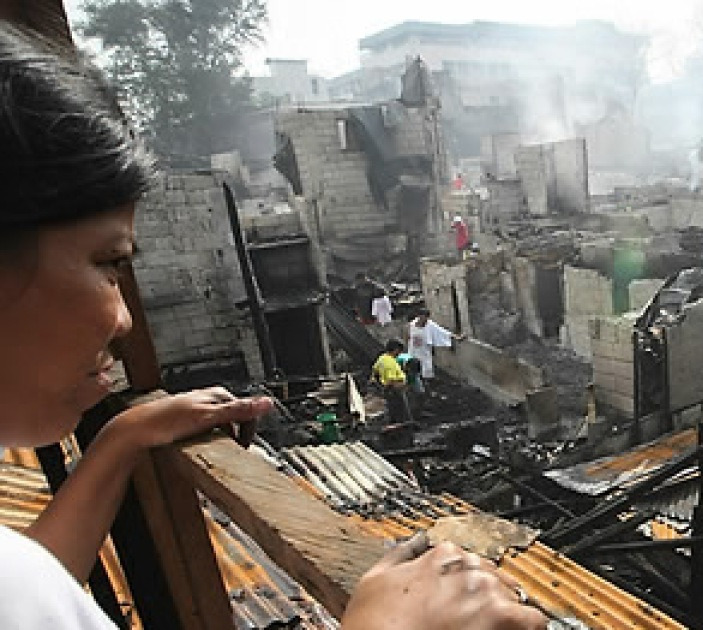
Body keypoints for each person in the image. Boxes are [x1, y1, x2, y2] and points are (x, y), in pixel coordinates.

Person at [0, 24, 544, 630]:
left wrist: (120, 441)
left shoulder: (18, 579)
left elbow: (35, 584)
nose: (126, 318)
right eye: (108, 264)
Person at [407, 308, 464, 386]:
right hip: (414, 349)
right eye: (422, 317)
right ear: (418, 316)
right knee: (414, 366)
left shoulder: (430, 325)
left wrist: (456, 337)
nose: (424, 319)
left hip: (425, 350)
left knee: (427, 367)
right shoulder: (412, 324)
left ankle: (427, 383)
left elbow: (442, 331)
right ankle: (416, 383)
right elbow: (408, 335)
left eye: (426, 317)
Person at [373, 339, 413, 425]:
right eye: (399, 351)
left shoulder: (382, 358)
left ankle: (396, 425)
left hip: (389, 389)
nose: (399, 353)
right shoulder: (390, 363)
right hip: (395, 390)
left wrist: (380, 385)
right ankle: (402, 427)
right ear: (395, 349)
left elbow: (375, 372)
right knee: (401, 413)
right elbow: (391, 380)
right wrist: (398, 386)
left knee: (393, 411)